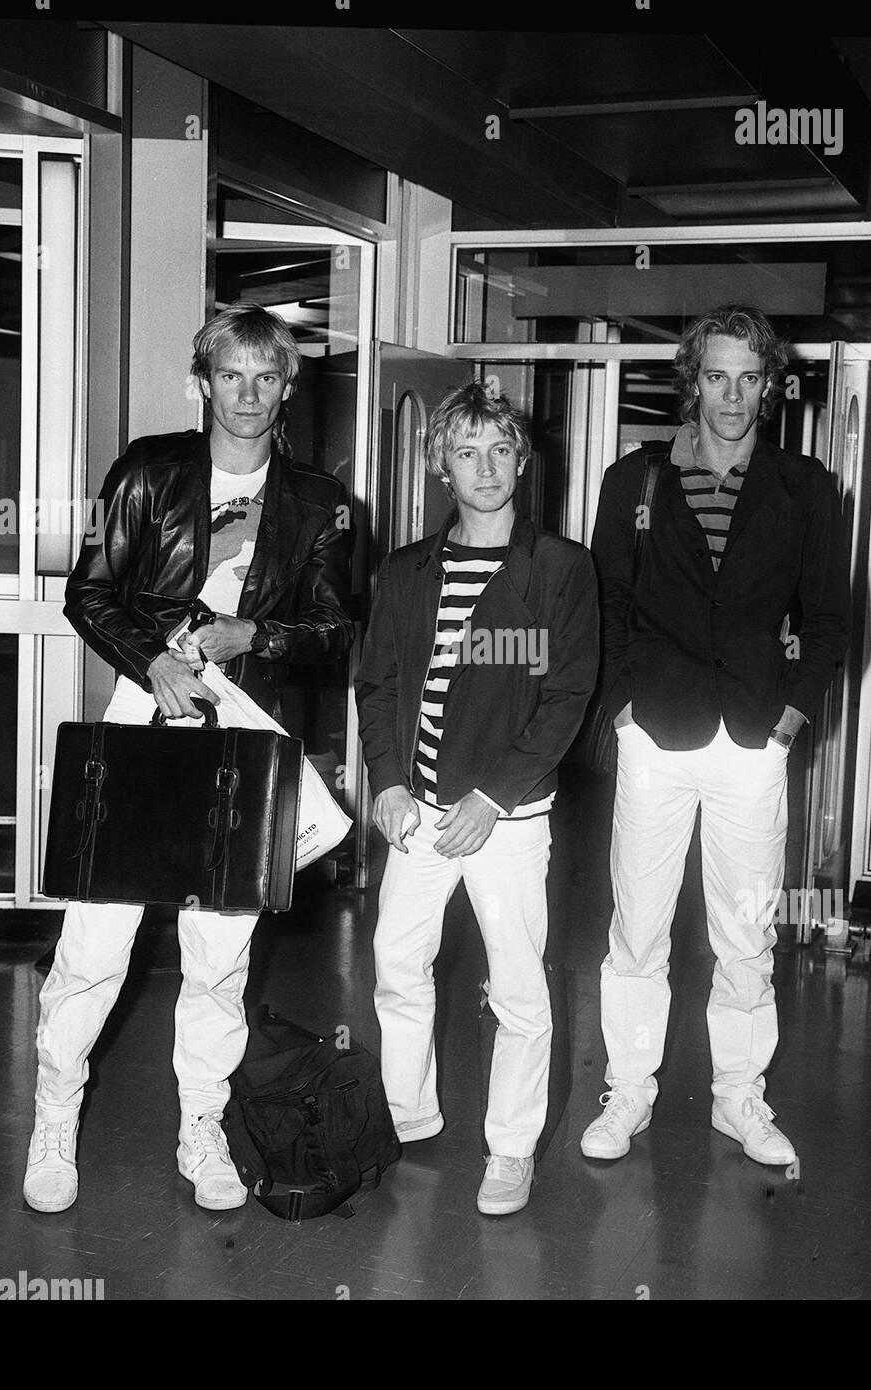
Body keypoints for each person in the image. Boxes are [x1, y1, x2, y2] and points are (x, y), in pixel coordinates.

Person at [24, 302, 353, 1213]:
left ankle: (200, 1125)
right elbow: (88, 595)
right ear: (202, 382)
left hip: (245, 736)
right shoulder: (148, 470)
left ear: (288, 388)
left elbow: (332, 633)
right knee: (95, 943)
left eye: (267, 377)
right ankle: (55, 1116)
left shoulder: (320, 503)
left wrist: (257, 632)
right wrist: (156, 659)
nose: (247, 395)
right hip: (142, 718)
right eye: (231, 375)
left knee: (218, 954)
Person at [581, 305, 851, 1167]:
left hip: (751, 739)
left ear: (768, 384)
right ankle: (627, 1094)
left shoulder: (804, 485)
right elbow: (605, 601)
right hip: (655, 735)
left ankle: (739, 1098)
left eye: (747, 377)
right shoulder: (636, 480)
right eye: (714, 376)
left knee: (746, 931)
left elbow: (835, 618)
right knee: (638, 928)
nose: (730, 395)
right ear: (690, 381)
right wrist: (622, 707)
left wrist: (788, 721)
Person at [356, 381, 597, 1215]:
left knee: (519, 989)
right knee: (397, 964)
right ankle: (405, 1111)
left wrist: (491, 798)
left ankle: (511, 1148)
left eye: (500, 450)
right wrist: (387, 780)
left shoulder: (559, 567)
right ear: (440, 469)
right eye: (466, 451)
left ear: (521, 463)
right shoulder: (404, 571)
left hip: (505, 817)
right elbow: (377, 682)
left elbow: (567, 696)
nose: (485, 467)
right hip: (419, 810)